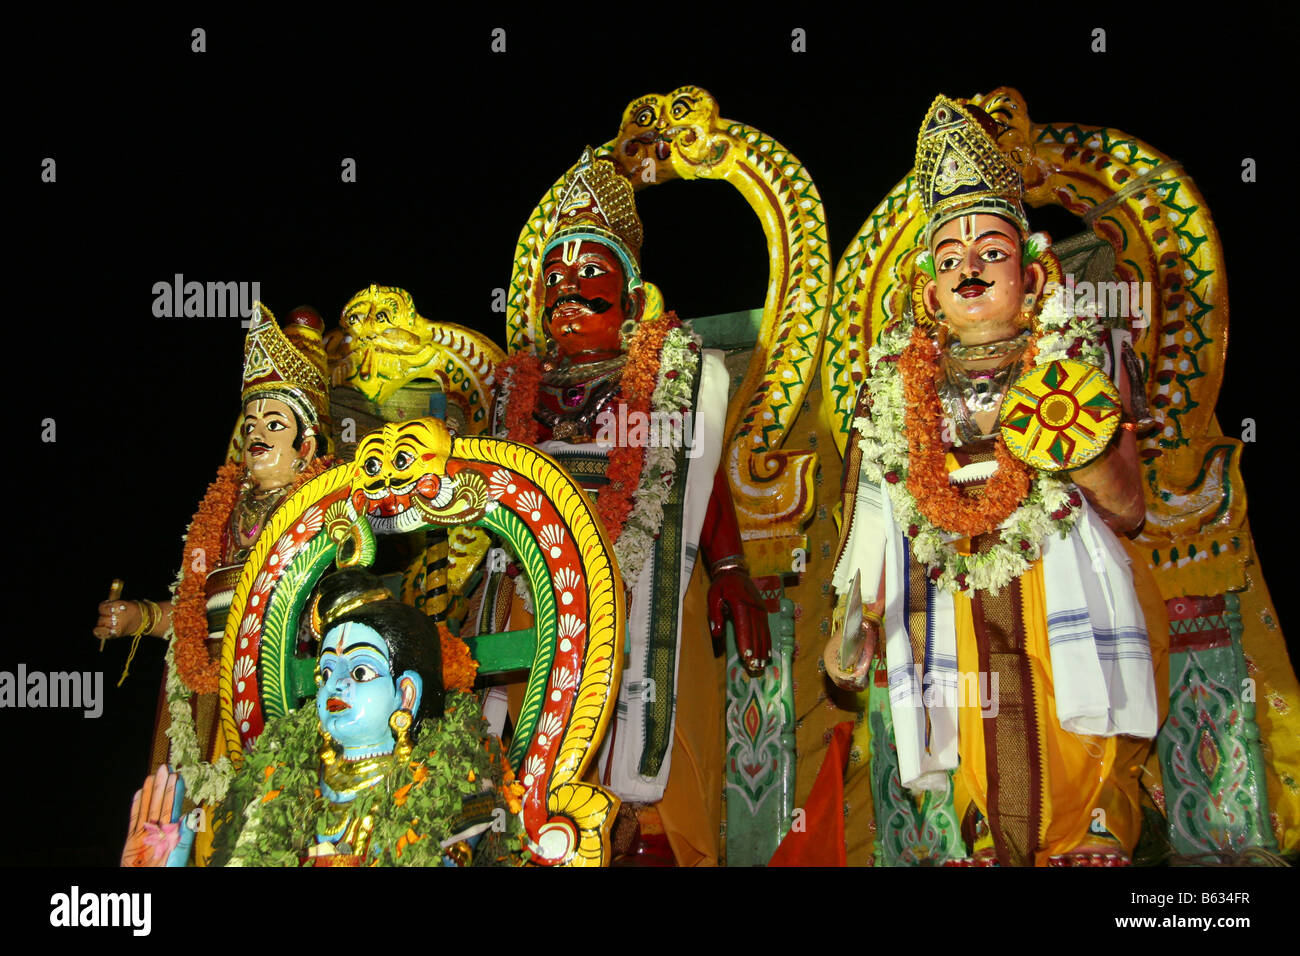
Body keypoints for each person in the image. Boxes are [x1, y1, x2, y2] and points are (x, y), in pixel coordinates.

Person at [824, 97, 1166, 866]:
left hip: (1060, 556)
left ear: (1036, 275)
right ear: (927, 293)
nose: (967, 268)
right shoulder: (899, 388)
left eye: (990, 252)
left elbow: (1132, 506)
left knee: (1068, 679)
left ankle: (1096, 826)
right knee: (962, 690)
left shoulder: (1072, 356)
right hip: (947, 567)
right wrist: (855, 619)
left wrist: (1071, 442)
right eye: (947, 259)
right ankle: (985, 830)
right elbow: (873, 522)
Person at [490, 150, 769, 864]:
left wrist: (731, 568)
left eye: (589, 276)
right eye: (553, 279)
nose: (566, 292)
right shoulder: (520, 389)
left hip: (648, 584)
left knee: (657, 757)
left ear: (635, 299)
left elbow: (697, 478)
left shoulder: (674, 379)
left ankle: (643, 843)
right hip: (538, 590)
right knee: (526, 746)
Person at [95, 303, 335, 859]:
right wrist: (140, 617)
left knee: (260, 825)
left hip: (281, 686)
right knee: (181, 830)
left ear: (307, 446)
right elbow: (191, 614)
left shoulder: (326, 511)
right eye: (250, 424)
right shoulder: (220, 518)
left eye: (274, 424)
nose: (255, 435)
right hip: (203, 697)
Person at [122, 568, 523, 867]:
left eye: (361, 671)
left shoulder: (458, 783)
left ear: (406, 693)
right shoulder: (283, 786)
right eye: (327, 673)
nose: (335, 687)